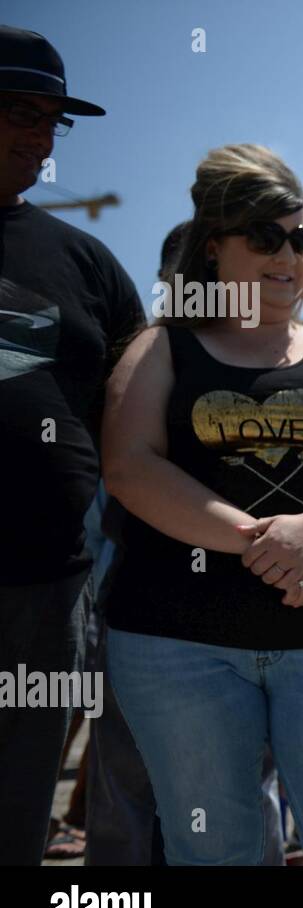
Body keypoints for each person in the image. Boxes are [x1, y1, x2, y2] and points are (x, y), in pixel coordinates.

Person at [100, 144, 303, 865]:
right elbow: (129, 467)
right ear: (215, 247)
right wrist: (271, 545)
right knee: (217, 852)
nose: (291, 257)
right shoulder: (160, 350)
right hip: (178, 646)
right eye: (266, 237)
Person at [83, 223, 284, 866]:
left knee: (235, 797)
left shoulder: (282, 363)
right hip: (145, 608)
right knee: (132, 795)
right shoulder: (142, 359)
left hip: (249, 612)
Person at [0, 25, 146, 865]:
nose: (40, 134)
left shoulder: (86, 263)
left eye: (55, 118)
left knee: (19, 807)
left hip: (49, 595)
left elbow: (149, 410)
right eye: (19, 109)